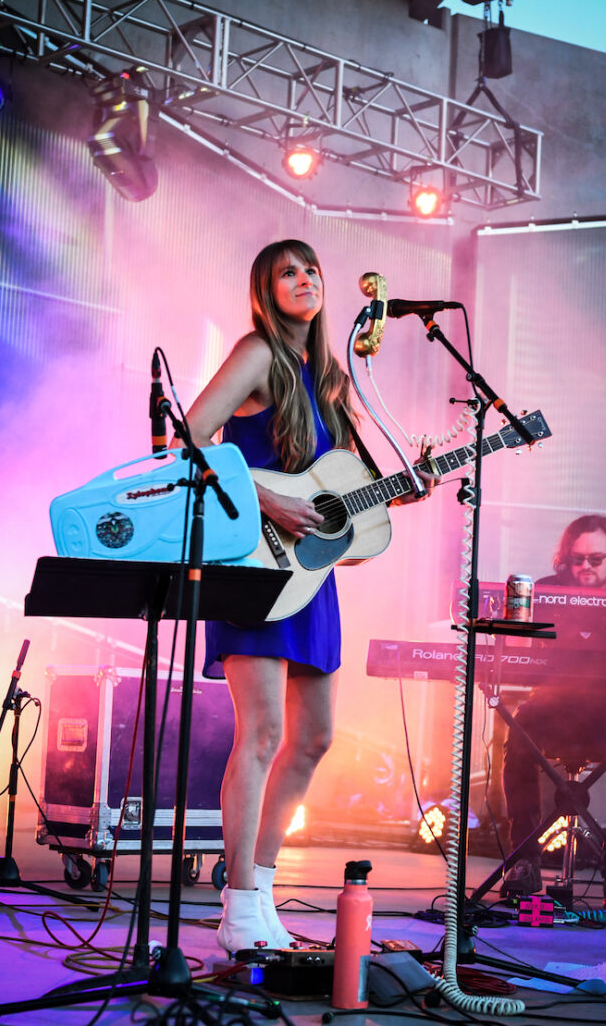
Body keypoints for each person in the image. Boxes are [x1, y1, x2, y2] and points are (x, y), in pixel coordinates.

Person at [181, 239, 433, 954]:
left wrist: (404, 491)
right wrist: (268, 501)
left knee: (313, 738)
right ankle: (235, 908)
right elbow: (188, 440)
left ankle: (258, 892)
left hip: (308, 579)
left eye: (312, 268)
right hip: (255, 564)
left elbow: (347, 503)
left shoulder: (325, 379)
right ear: (266, 287)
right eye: (288, 271)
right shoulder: (256, 353)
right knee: (260, 734)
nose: (305, 278)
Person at [501, 514, 606, 909]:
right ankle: (524, 863)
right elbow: (515, 650)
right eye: (577, 558)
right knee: (518, 736)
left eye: (595, 559)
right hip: (550, 704)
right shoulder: (544, 591)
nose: (584, 567)